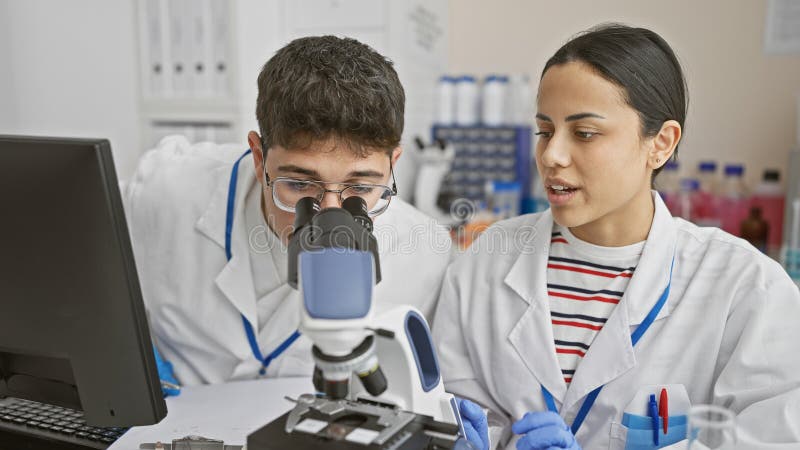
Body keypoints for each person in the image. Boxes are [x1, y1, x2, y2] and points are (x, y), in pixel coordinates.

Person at [435, 24, 800, 450]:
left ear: (660, 144)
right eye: (545, 131)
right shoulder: (484, 263)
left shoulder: (746, 288)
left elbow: (776, 438)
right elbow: (455, 408)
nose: (551, 155)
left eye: (585, 133)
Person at [124, 36, 452, 388]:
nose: (329, 216)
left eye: (359, 189)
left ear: (391, 166)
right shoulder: (164, 193)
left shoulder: (424, 254)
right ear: (259, 157)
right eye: (299, 185)